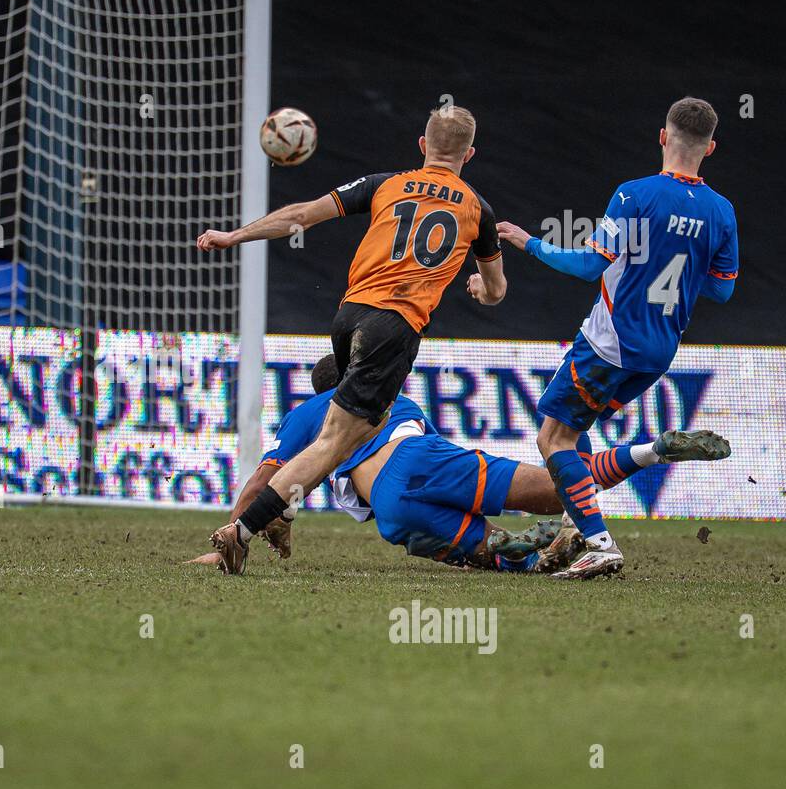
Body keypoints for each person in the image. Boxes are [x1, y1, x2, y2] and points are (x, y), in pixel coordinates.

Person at [197, 105, 506, 574]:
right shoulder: (477, 208)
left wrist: (234, 236)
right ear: (471, 153)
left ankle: (281, 509)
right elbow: (496, 289)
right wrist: (481, 289)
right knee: (334, 442)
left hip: (349, 316)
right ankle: (242, 531)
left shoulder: (385, 183)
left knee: (343, 437)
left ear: (423, 146)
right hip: (393, 327)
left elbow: (302, 214)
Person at [189, 356, 731, 576]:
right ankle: (650, 453)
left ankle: (525, 549)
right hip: (417, 460)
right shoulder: (384, 395)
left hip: (389, 512)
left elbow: (269, 480)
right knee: (551, 486)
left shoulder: (306, 413)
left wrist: (235, 537)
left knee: (508, 561)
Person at [497, 97, 738, 578]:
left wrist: (527, 241)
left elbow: (589, 265)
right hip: (658, 352)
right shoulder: (722, 212)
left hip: (610, 343)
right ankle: (583, 516)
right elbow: (721, 289)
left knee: (553, 439)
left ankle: (599, 541)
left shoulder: (635, 195)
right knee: (576, 435)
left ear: (663, 136)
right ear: (710, 147)